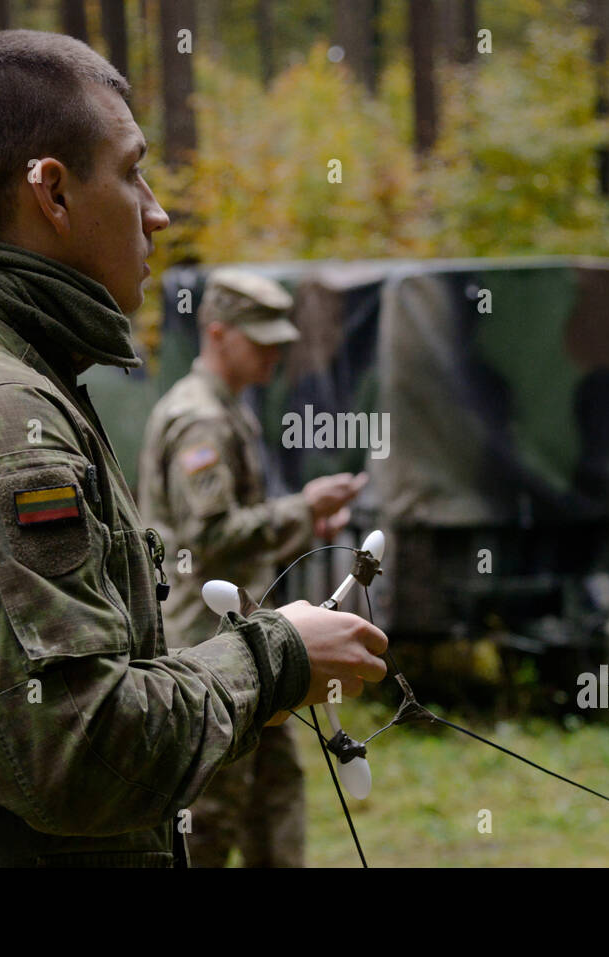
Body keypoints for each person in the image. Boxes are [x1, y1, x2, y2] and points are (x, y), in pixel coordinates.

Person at [0, 29, 387, 868]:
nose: (157, 210)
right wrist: (278, 656)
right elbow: (78, 752)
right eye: (131, 170)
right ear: (52, 191)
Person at [138, 269, 366, 866]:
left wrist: (307, 522)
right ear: (218, 334)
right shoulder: (202, 420)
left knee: (275, 794)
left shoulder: (227, 409)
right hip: (211, 645)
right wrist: (304, 507)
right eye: (261, 340)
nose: (274, 354)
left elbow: (234, 531)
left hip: (251, 639)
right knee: (210, 814)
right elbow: (209, 538)